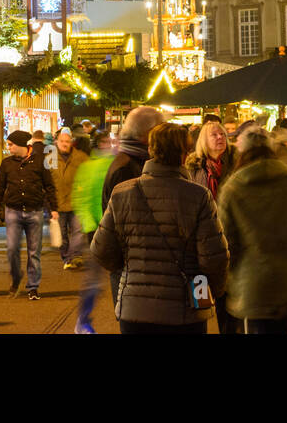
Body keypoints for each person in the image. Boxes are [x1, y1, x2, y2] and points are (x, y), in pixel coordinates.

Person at [91, 123, 229, 334]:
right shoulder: (199, 196)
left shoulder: (122, 193)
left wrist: (130, 268)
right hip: (185, 310)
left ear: (151, 150)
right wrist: (216, 290)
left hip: (135, 308)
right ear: (184, 154)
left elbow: (101, 249)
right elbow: (213, 258)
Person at [218, 126, 287, 333]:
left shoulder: (233, 188)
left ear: (242, 152)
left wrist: (228, 279)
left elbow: (227, 242)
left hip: (252, 286)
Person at [101, 105, 164, 305]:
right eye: (161, 130)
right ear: (147, 134)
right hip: (131, 265)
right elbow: (125, 221)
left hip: (136, 262)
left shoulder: (131, 160)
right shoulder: (127, 167)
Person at [0, 130, 57, 300]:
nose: (8, 147)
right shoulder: (6, 164)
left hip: (35, 211)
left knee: (34, 252)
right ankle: (16, 278)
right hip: (13, 211)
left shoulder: (40, 161)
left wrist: (54, 208)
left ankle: (33, 286)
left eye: (11, 144)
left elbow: (49, 186)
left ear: (20, 145)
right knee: (12, 249)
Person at [185, 119, 237, 333]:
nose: (220, 138)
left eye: (222, 134)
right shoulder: (192, 168)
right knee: (200, 306)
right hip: (199, 248)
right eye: (214, 135)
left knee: (230, 304)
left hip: (230, 244)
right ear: (203, 141)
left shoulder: (236, 164)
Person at [71, 132, 114, 333]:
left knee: (101, 277)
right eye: (107, 142)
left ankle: (84, 320)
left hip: (109, 226)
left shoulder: (115, 164)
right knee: (95, 277)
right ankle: (83, 320)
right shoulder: (90, 167)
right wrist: (90, 225)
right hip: (97, 228)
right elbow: (81, 198)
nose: (110, 145)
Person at [48, 127, 89, 269]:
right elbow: (45, 183)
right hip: (58, 203)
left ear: (71, 141)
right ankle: (67, 258)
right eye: (62, 141)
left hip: (76, 201)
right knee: (63, 236)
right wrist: (48, 204)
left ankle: (75, 256)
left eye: (67, 141)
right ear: (56, 142)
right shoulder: (50, 158)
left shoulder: (81, 157)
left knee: (77, 231)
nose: (65, 143)